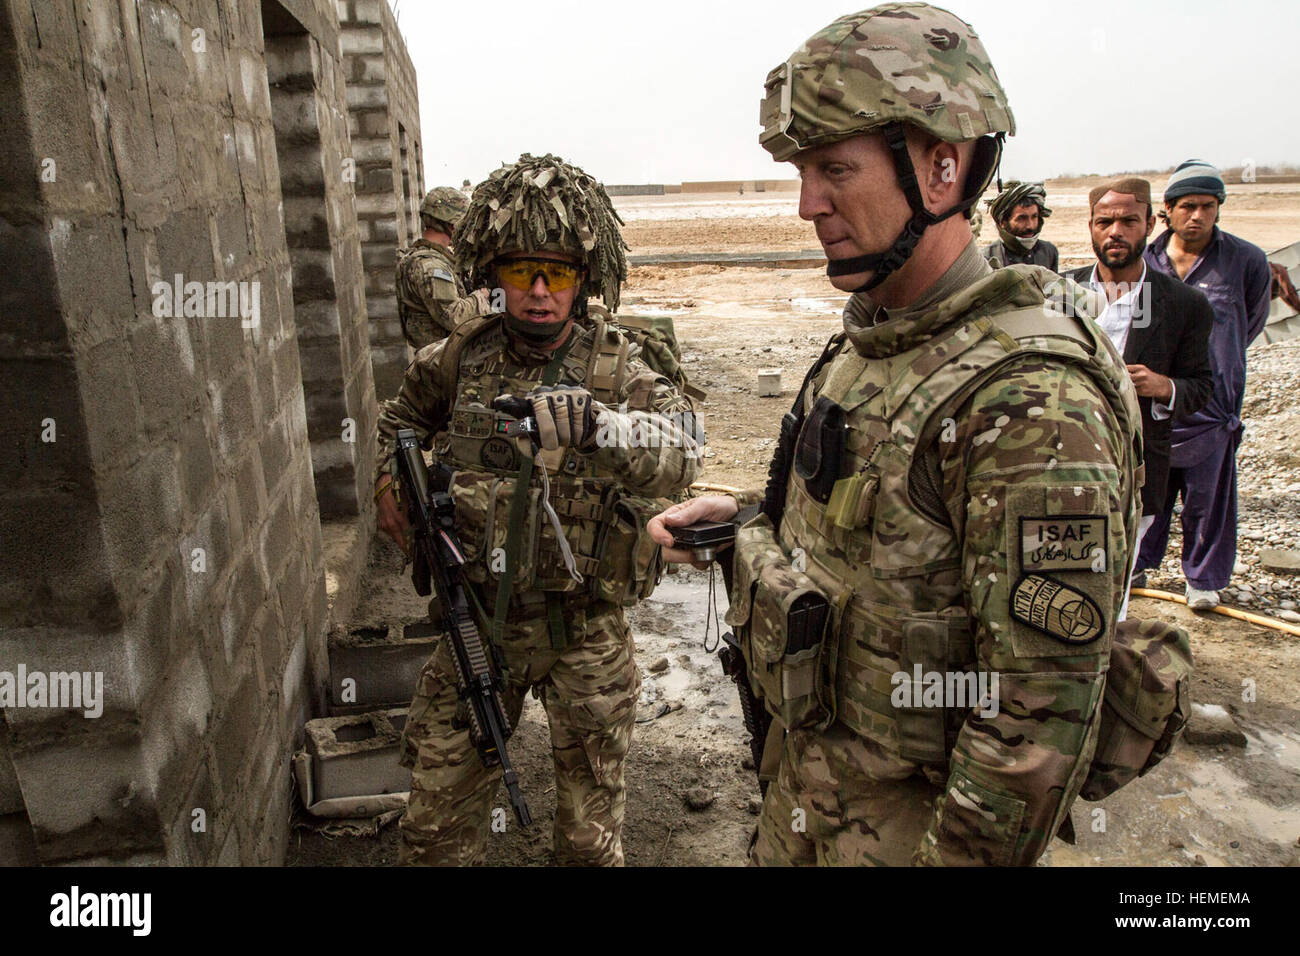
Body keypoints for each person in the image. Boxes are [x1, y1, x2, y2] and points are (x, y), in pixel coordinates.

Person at [650, 2, 1142, 866]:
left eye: (835, 169)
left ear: (944, 169)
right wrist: (741, 524)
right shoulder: (875, 338)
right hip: (808, 802)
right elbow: (862, 540)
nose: (808, 204)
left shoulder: (1032, 401)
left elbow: (1029, 738)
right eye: (804, 172)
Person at [374, 154, 702, 865]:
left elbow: (685, 449)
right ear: (495, 276)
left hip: (582, 628)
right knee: (432, 832)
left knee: (587, 845)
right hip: (479, 620)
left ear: (584, 277)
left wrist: (599, 426)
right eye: (523, 273)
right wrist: (386, 483)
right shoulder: (462, 355)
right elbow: (398, 419)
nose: (541, 292)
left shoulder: (618, 365)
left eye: (557, 273)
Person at [1065, 178, 1212, 607]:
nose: (1116, 232)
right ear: (1090, 227)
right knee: (1057, 567)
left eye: (1129, 221)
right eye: (1104, 221)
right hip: (1064, 460)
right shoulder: (1058, 293)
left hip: (1138, 469)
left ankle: (1110, 659)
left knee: (1117, 579)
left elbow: (1202, 386)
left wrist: (1161, 385)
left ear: (1150, 223)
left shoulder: (1183, 304)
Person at [1136, 160, 1272, 610]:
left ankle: (1203, 579)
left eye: (1208, 207)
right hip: (1153, 396)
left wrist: (1213, 360)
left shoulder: (1245, 260)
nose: (1198, 216)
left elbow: (1249, 322)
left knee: (1208, 496)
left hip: (1212, 402)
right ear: (1167, 211)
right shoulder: (1145, 260)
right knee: (1147, 487)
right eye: (1188, 206)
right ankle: (1137, 562)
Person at [396, 186, 492, 351]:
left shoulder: (418, 256)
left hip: (438, 355)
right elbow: (454, 316)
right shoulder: (431, 266)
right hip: (441, 359)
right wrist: (482, 296)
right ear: (452, 225)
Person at [983, 180, 1059, 271]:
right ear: (1003, 222)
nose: (1030, 226)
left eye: (1034, 217)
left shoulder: (1049, 252)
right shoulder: (987, 257)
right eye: (1021, 218)